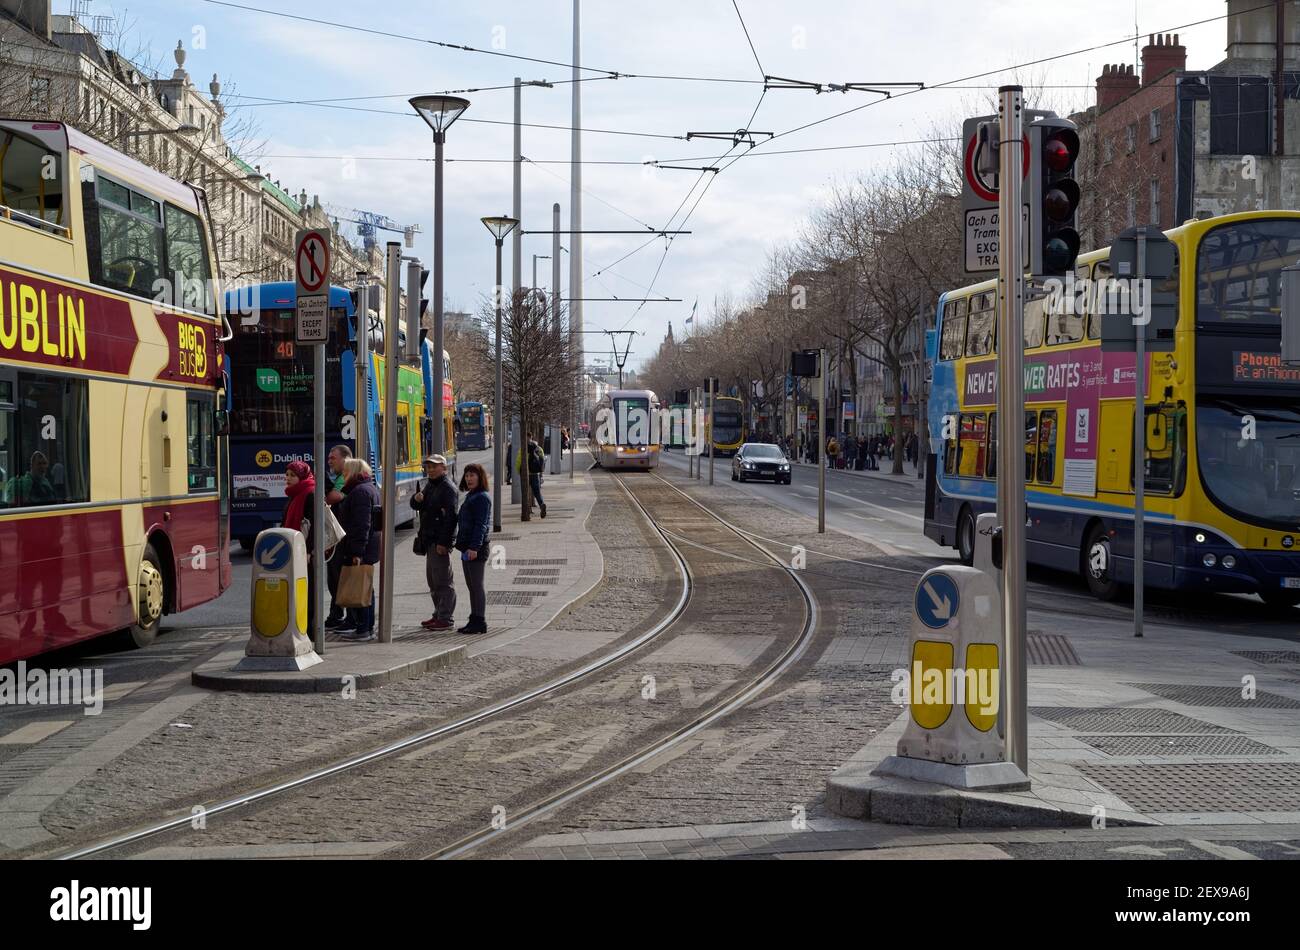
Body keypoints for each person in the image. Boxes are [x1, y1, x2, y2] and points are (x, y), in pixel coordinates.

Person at [411, 454, 458, 631]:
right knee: (433, 580)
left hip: (439, 542)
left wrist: (444, 543)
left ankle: (446, 618)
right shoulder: (431, 485)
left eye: (434, 466)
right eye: (428, 467)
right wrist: (416, 499)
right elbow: (418, 506)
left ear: (444, 468)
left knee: (443, 581)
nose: (430, 470)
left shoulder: (447, 488)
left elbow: (451, 519)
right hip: (430, 540)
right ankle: (438, 613)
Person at [336, 458, 380, 641]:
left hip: (361, 547)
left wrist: (356, 552)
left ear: (353, 472)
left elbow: (362, 524)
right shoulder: (368, 488)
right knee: (366, 587)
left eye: (345, 472)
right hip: (366, 546)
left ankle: (363, 628)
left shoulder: (360, 492)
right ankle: (364, 627)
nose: (343, 476)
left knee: (362, 588)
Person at [280, 460, 318, 631]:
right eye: (287, 475)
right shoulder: (294, 494)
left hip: (305, 551)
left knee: (307, 588)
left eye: (292, 475)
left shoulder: (310, 493)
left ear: (301, 476)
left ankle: (308, 627)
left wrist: (309, 550)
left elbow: (314, 524)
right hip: (292, 549)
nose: (288, 478)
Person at [455, 462, 492, 634]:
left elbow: (481, 525)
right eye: (467, 475)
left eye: (472, 475)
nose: (469, 478)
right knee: (472, 586)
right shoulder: (472, 495)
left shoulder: (482, 497)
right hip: (467, 547)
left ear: (480, 477)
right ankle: (474, 618)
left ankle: (480, 621)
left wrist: (474, 547)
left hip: (475, 548)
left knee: (477, 586)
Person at [324, 444, 352, 630]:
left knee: (340, 577)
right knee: (334, 577)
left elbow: (332, 497)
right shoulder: (339, 477)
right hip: (337, 535)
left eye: (332, 457)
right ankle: (336, 613)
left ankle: (342, 615)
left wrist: (325, 490)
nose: (329, 461)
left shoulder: (345, 477)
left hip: (344, 537)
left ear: (345, 459)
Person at [526, 434, 547, 518]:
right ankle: (541, 504)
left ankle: (527, 509)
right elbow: (542, 460)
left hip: (526, 474)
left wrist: (519, 471)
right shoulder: (539, 448)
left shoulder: (524, 448)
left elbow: (519, 461)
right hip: (536, 474)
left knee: (525, 493)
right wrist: (541, 472)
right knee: (537, 492)